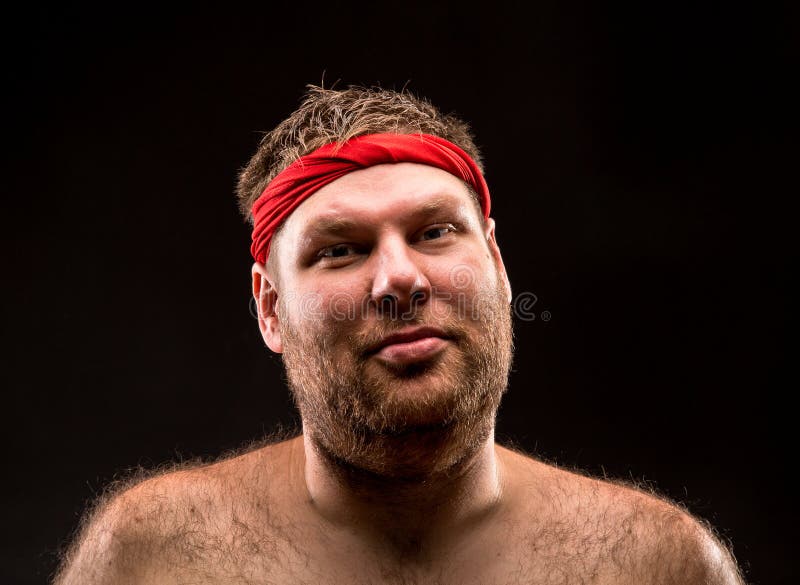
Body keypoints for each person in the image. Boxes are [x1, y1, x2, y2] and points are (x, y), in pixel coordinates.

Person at [54, 85, 745, 585]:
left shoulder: (658, 564)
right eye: (340, 249)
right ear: (270, 308)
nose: (399, 278)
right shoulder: (153, 558)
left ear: (497, 265)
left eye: (435, 231)